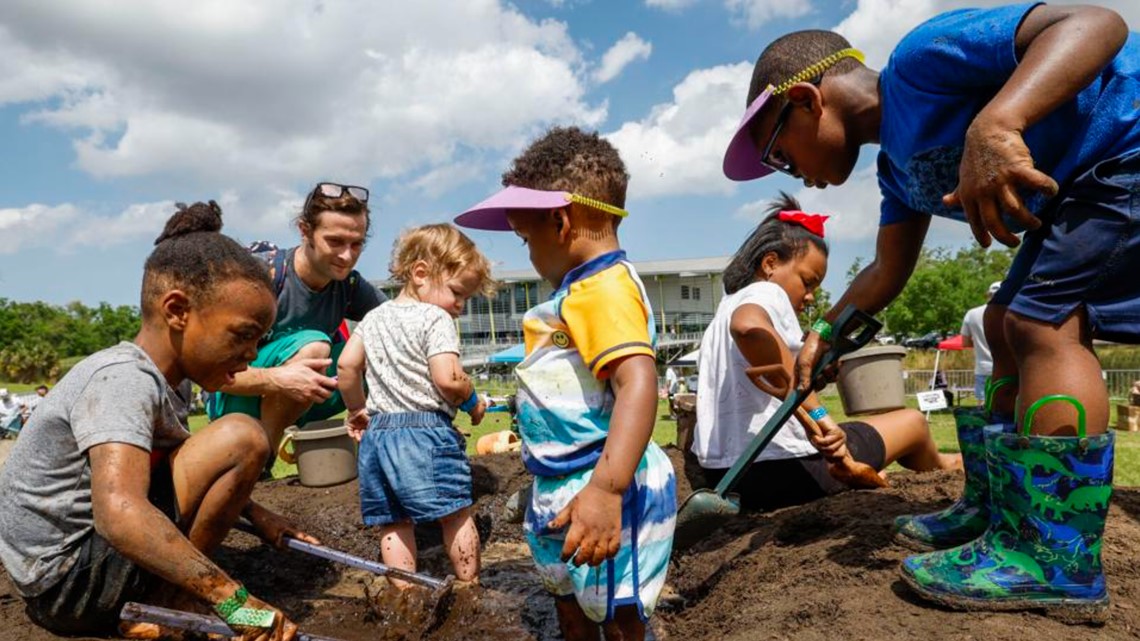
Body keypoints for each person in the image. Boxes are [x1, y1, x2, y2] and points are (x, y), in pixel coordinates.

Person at [723, 3, 1132, 619]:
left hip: (1120, 153)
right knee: (1000, 322)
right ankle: (1000, 508)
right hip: (1073, 195)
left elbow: (1097, 24)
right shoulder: (896, 173)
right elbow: (887, 272)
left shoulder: (920, 60)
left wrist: (996, 123)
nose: (795, 178)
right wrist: (827, 336)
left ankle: (1054, 555)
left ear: (807, 101)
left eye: (782, 155)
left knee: (1037, 323)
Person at [0, 201, 316, 641]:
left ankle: (163, 603)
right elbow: (119, 514)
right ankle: (165, 605)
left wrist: (257, 514)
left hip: (82, 573)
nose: (251, 353)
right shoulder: (122, 379)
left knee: (235, 443)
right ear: (177, 310)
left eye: (258, 339)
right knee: (243, 437)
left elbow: (169, 469)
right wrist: (231, 598)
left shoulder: (170, 380)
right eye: (243, 335)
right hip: (68, 584)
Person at [455, 127, 675, 641]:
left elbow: (637, 382)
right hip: (562, 480)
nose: (529, 255)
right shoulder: (581, 292)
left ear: (559, 221)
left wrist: (605, 489)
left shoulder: (603, 289)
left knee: (618, 615)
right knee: (569, 602)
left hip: (604, 480)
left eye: (526, 239)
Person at [691, 194, 959, 512]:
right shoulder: (767, 292)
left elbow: (774, 380)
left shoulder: (723, 309)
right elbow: (748, 326)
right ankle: (946, 467)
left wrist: (809, 381)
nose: (810, 297)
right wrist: (824, 422)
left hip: (723, 474)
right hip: (786, 472)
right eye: (807, 282)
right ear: (770, 264)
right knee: (914, 422)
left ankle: (932, 466)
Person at [337, 224, 495, 588]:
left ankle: (404, 593)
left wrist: (357, 410)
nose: (460, 306)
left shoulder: (372, 318)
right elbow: (447, 378)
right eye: (457, 293)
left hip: (378, 437)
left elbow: (346, 367)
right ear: (421, 273)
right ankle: (469, 585)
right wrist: (472, 400)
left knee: (393, 522)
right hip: (425, 432)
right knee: (455, 512)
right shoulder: (435, 318)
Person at [207, 181, 386, 464]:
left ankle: (391, 447)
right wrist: (278, 379)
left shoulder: (349, 285)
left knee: (381, 344)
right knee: (314, 345)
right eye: (335, 241)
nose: (347, 256)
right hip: (237, 398)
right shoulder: (260, 276)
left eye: (357, 244)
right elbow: (210, 372)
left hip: (306, 395)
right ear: (305, 231)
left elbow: (399, 323)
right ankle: (259, 461)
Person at [960, 282, 1002, 406]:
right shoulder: (1011, 311)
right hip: (1008, 368)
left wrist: (980, 343)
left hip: (983, 367)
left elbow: (965, 342)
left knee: (983, 404)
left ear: (988, 294)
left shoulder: (972, 313)